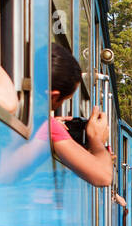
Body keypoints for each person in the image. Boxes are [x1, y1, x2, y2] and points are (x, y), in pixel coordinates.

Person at [49, 42, 114, 187]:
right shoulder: (46, 125)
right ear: (54, 97)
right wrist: (96, 139)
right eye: (59, 104)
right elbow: (103, 176)